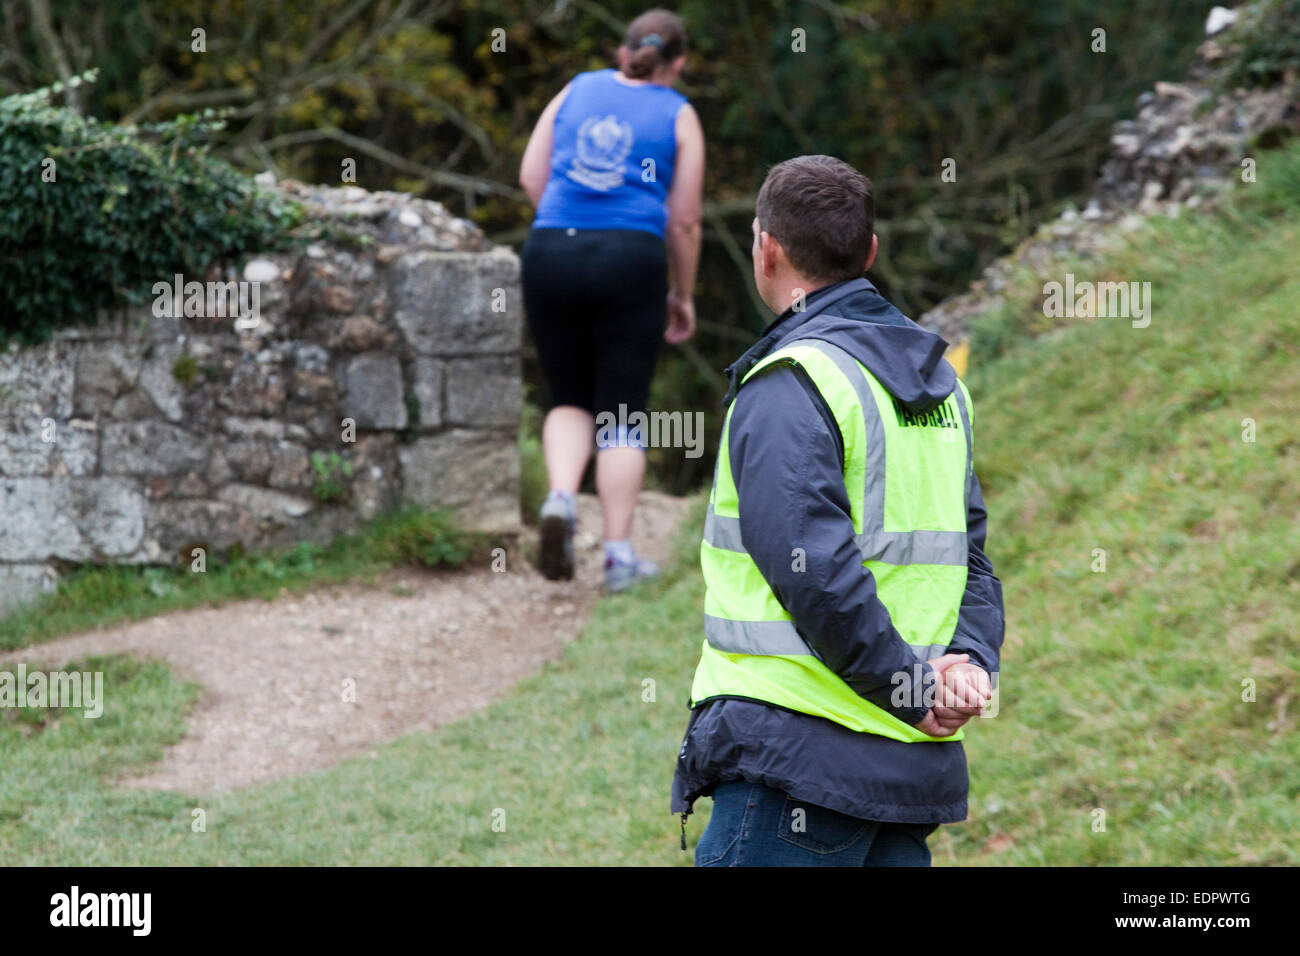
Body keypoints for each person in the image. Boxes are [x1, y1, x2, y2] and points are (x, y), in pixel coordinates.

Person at [670, 155, 1005, 866]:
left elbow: (813, 570)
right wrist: (968, 659)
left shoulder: (792, 381)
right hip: (903, 777)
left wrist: (912, 687)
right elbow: (971, 557)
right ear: (870, 254)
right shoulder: (945, 390)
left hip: (792, 765)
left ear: (767, 249)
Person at [518, 8, 704, 592]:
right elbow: (686, 220)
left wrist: (572, 227)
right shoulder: (679, 114)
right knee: (620, 410)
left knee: (568, 395)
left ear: (623, 52)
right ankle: (619, 557)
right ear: (678, 64)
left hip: (550, 249)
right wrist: (684, 293)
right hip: (632, 257)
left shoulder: (576, 88)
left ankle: (561, 500)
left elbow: (530, 176)